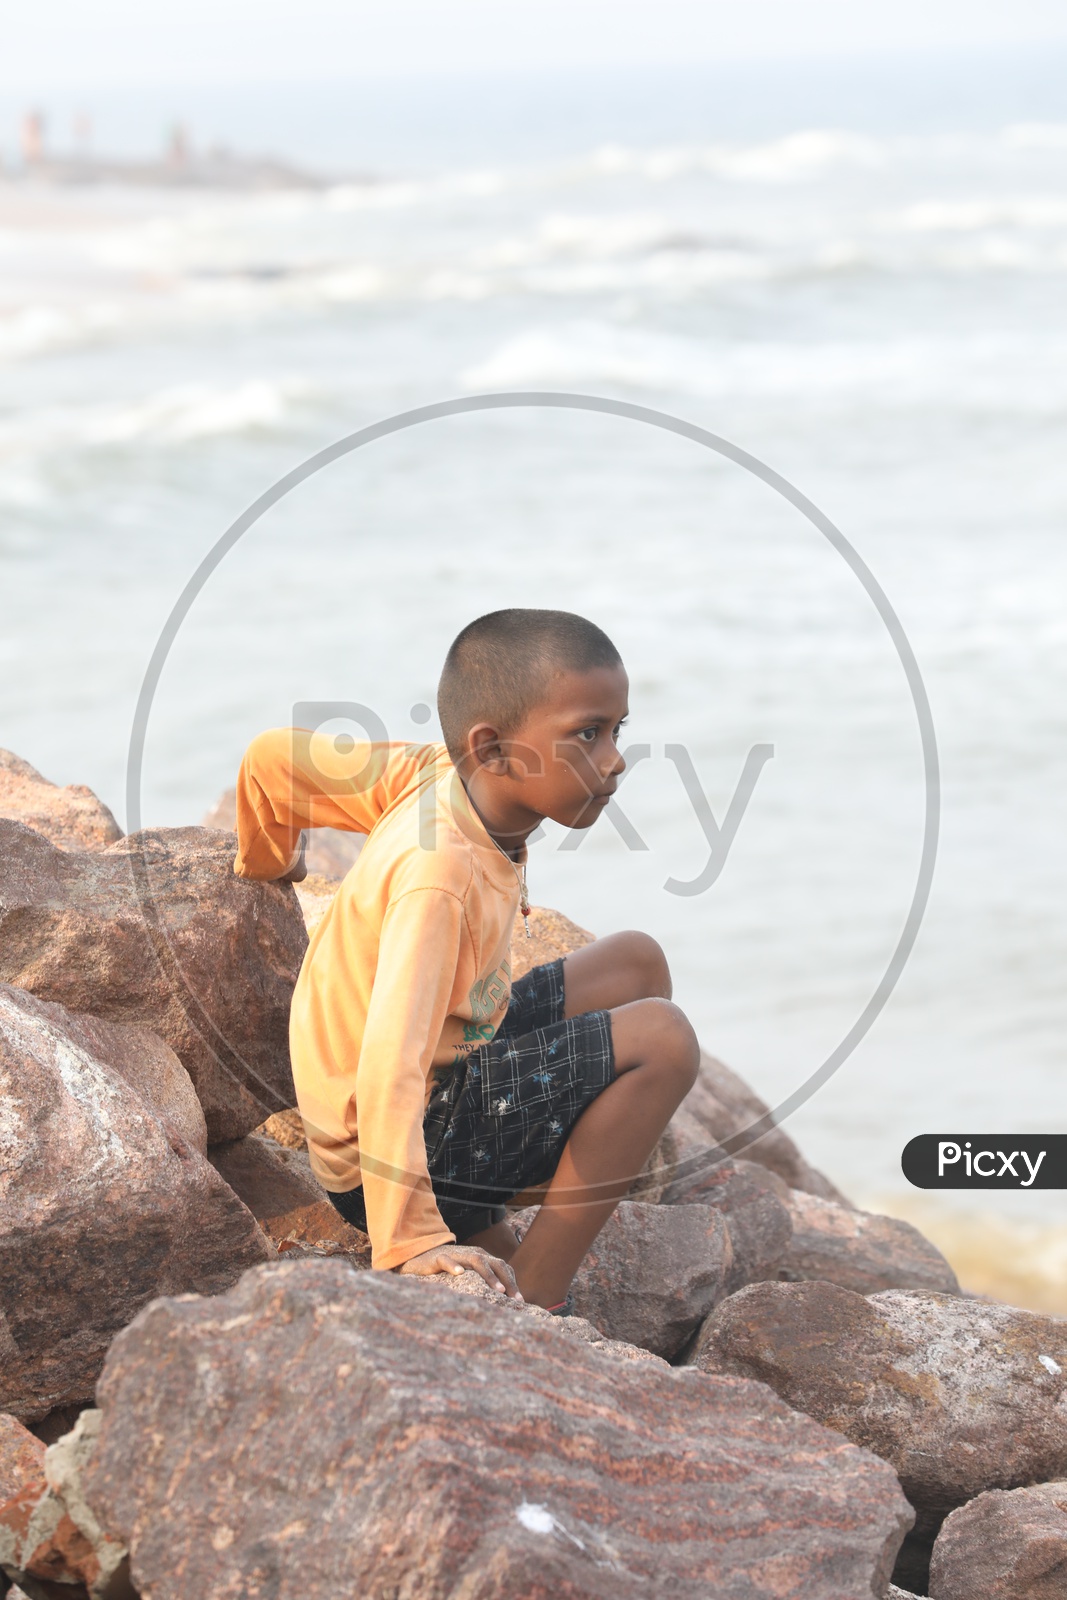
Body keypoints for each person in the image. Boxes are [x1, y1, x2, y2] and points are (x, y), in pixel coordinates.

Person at [233, 608, 699, 1310]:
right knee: (662, 1040)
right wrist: (409, 1241)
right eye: (585, 734)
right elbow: (392, 1061)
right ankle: (536, 1292)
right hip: (387, 1151)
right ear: (491, 749)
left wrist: (265, 857)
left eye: (615, 729)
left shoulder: (431, 773)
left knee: (636, 965)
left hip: (448, 1077)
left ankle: (479, 1223)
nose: (613, 760)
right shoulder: (437, 879)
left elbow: (273, 760)